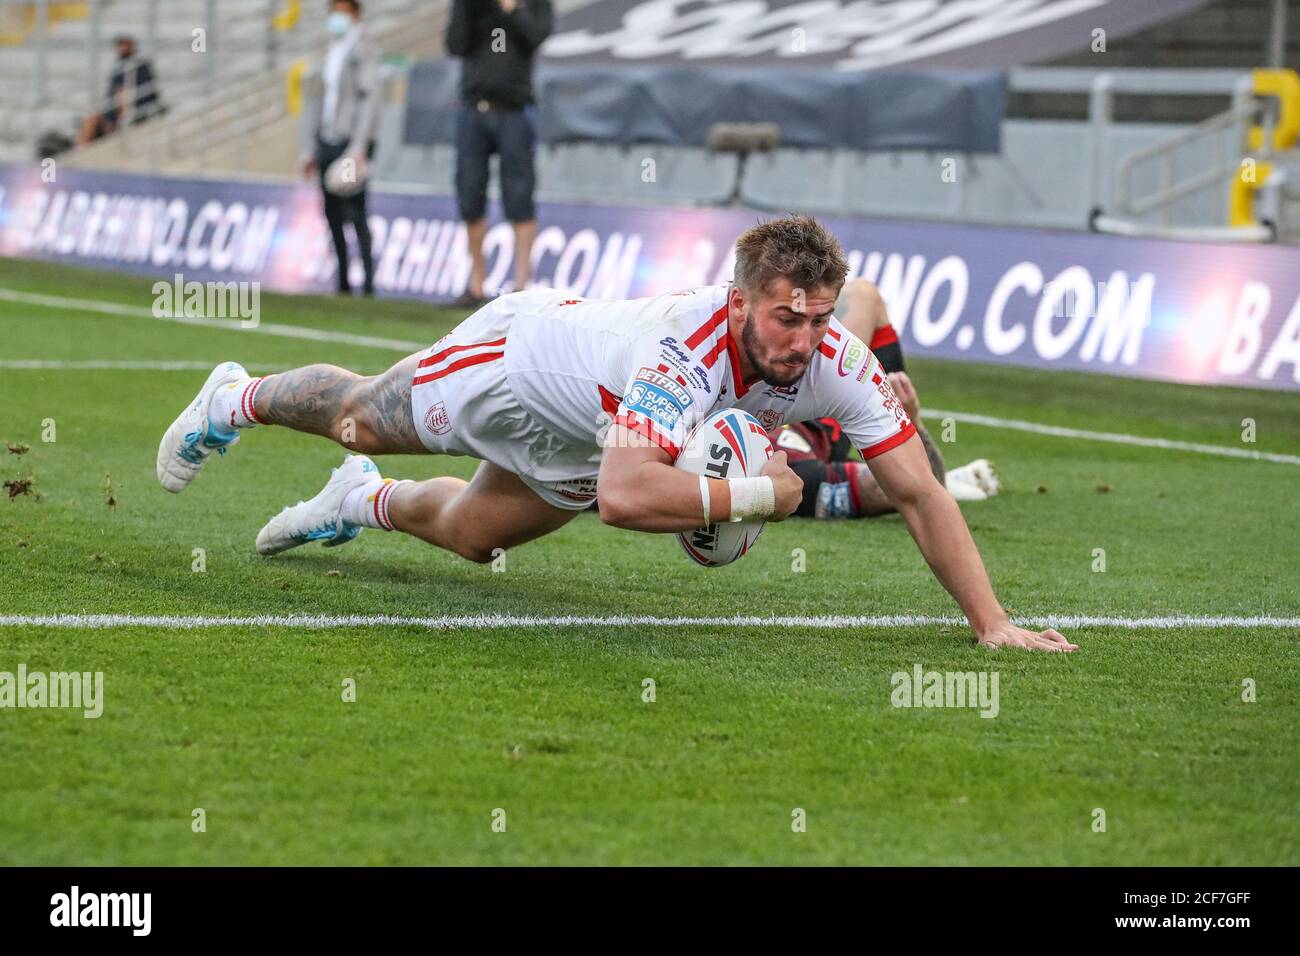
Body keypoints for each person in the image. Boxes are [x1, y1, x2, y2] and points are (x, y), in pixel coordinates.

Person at [155, 215, 1076, 653]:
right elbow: (630, 498)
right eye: (785, 319)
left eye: (819, 318)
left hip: (591, 434)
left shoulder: (835, 358)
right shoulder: (687, 349)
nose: (803, 341)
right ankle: (237, 396)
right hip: (516, 364)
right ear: (740, 300)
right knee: (359, 414)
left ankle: (360, 501)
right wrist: (763, 493)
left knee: (474, 542)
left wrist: (991, 625)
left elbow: (919, 487)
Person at [777, 278, 1000, 519]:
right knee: (912, 480)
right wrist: (913, 421)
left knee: (864, 294)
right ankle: (919, 459)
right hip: (828, 421)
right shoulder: (794, 479)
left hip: (797, 390)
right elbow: (920, 491)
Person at [445, 0, 553, 305]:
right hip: (472, 109)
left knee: (519, 196)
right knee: (470, 194)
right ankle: (476, 283)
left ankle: (521, 286)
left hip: (515, 111)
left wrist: (512, 9)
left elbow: (535, 36)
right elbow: (454, 44)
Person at [299, 0, 380, 296]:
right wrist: (308, 148)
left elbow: (369, 99)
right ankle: (343, 281)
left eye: (343, 11)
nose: (337, 17)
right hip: (327, 141)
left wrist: (359, 147)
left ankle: (369, 283)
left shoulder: (365, 49)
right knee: (332, 214)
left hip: (350, 143)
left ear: (356, 14)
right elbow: (316, 101)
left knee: (356, 211)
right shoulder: (330, 50)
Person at [78, 35, 164, 146]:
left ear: (132, 46)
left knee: (96, 118)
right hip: (116, 109)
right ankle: (79, 149)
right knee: (90, 120)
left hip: (135, 107)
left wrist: (117, 116)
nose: (122, 48)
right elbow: (114, 94)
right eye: (120, 46)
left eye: (125, 45)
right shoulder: (118, 68)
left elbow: (133, 93)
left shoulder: (140, 67)